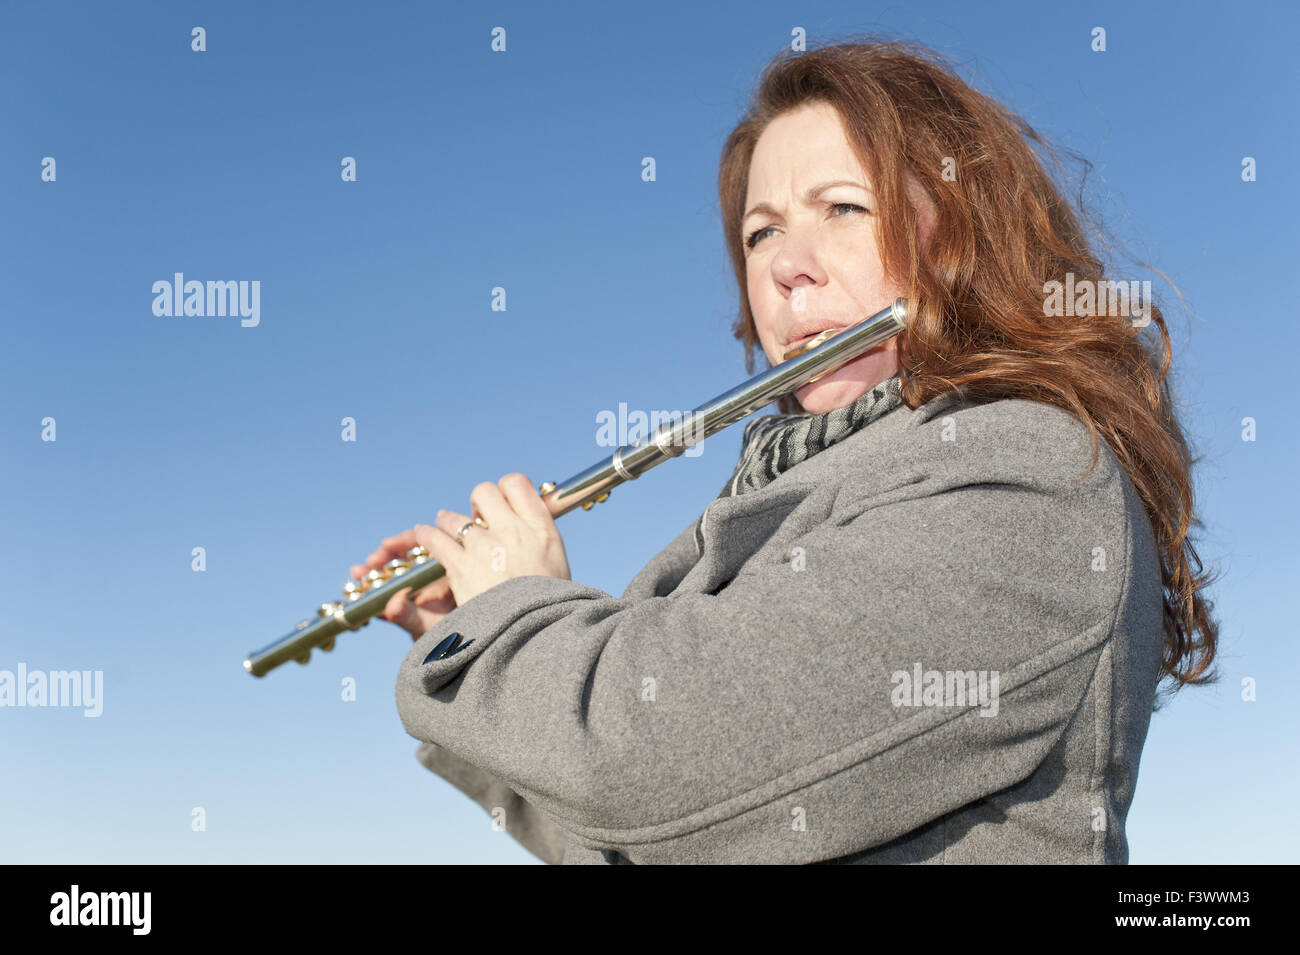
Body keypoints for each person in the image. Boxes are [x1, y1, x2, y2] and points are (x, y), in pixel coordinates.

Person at [356, 38, 1219, 864]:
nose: (785, 267)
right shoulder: (790, 489)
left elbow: (648, 766)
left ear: (965, 237)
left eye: (843, 209)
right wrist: (464, 638)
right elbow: (646, 842)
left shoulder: (1026, 477)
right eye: (761, 232)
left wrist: (519, 612)